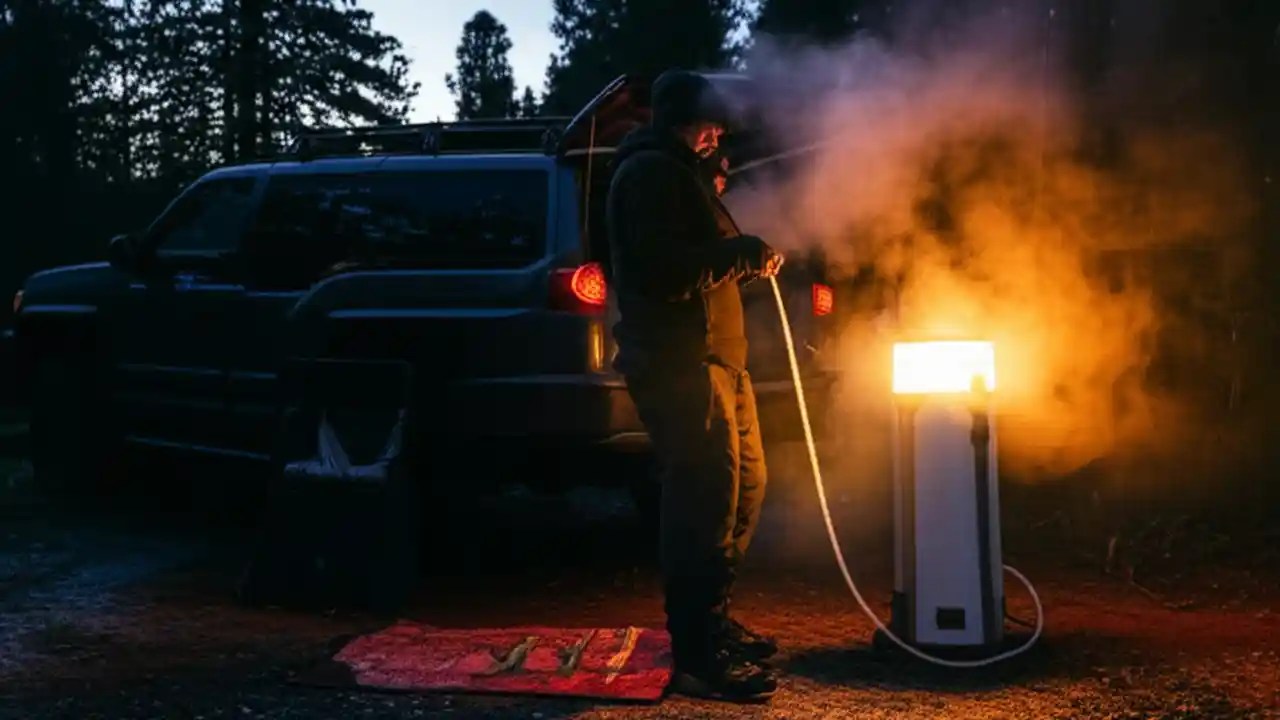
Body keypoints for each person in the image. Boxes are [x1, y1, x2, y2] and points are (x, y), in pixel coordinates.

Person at [605, 69, 785, 702]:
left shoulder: (682, 175)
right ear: (689, 119)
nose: (718, 135)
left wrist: (737, 248)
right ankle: (696, 657)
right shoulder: (650, 173)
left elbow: (694, 259)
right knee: (703, 503)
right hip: (680, 364)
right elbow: (662, 274)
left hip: (718, 362)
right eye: (712, 124)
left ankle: (714, 623)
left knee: (743, 493)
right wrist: (740, 254)